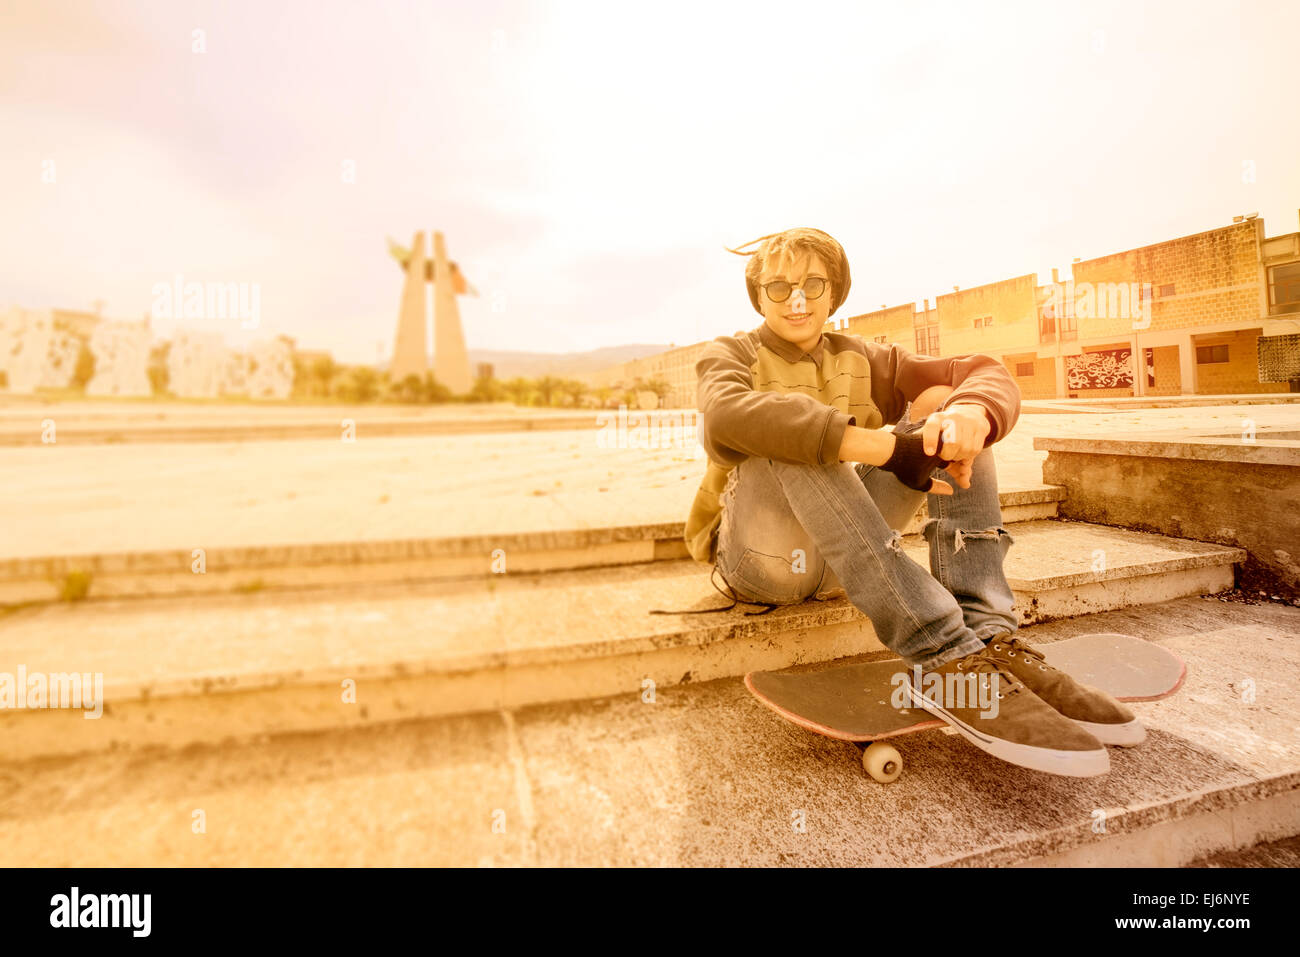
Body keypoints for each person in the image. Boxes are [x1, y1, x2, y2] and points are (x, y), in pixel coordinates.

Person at [684, 227, 1141, 777]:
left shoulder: (868, 358)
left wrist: (971, 416)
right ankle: (943, 656)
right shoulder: (732, 353)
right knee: (787, 427)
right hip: (761, 563)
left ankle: (986, 637)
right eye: (779, 287)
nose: (798, 299)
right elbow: (727, 416)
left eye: (812, 283)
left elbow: (980, 371)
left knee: (947, 413)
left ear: (836, 292)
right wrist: (883, 447)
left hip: (841, 553)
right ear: (758, 295)